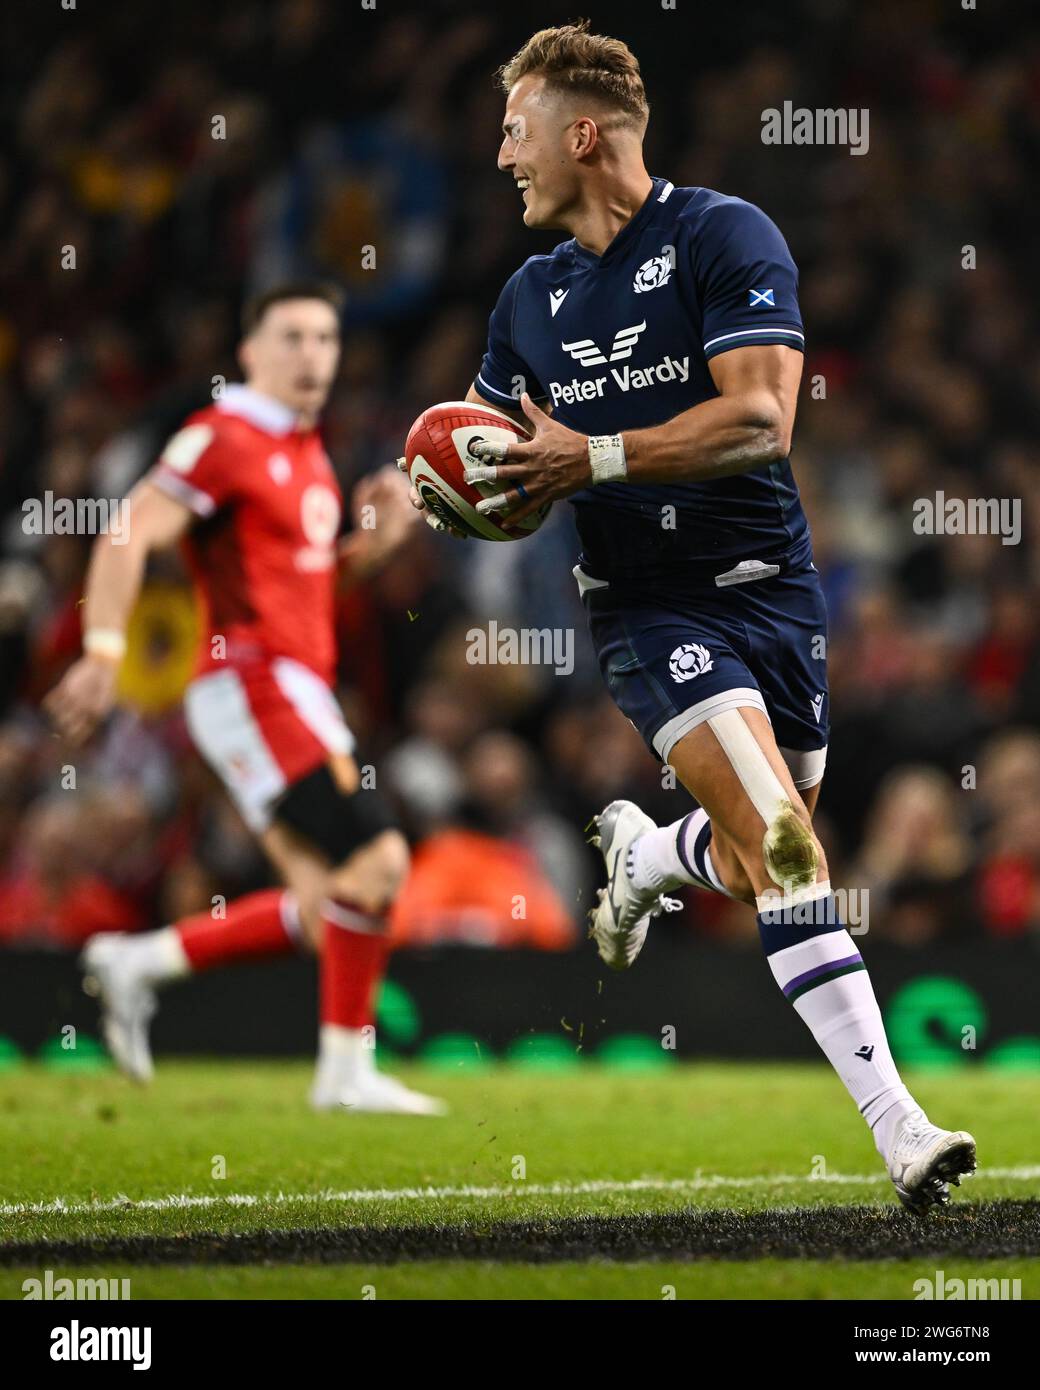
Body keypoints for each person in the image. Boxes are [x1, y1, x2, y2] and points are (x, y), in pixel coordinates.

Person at [409, 22, 975, 1204]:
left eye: (513, 130)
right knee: (781, 840)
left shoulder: (723, 234)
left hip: (772, 591)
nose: (501, 155)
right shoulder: (526, 301)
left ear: (580, 133)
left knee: (754, 846)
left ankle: (647, 852)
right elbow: (491, 455)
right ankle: (900, 1128)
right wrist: (418, 500)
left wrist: (592, 457)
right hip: (645, 610)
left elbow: (762, 422)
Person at [46, 282, 444, 1115]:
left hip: (290, 682)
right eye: (291, 337)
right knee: (379, 863)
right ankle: (344, 1072)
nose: (312, 356)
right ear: (249, 354)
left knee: (325, 901)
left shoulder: (310, 460)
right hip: (251, 681)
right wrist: (103, 651)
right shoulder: (221, 438)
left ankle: (137, 964)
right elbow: (130, 530)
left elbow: (311, 586)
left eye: (326, 340)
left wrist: (374, 546)